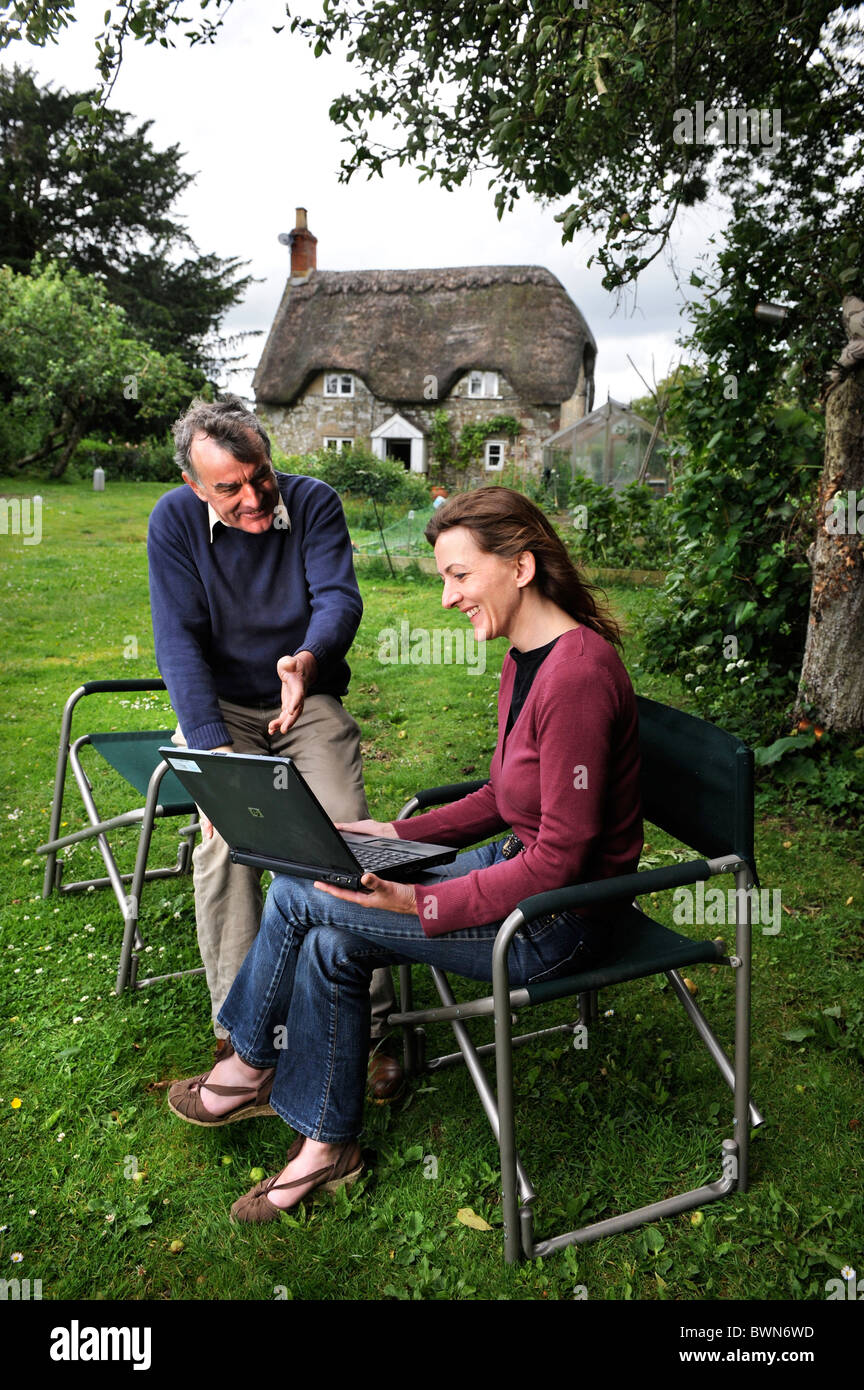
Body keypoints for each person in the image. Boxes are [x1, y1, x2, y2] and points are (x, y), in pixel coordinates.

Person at [168, 486, 644, 1222]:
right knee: (329, 939)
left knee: (301, 893)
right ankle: (328, 1150)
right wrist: (396, 837)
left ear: (520, 566)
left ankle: (251, 1061)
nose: (449, 598)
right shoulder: (527, 658)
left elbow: (561, 860)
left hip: (560, 921)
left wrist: (419, 901)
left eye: (459, 575)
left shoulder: (576, 674)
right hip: (519, 878)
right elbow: (500, 797)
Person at [147, 396, 401, 1097]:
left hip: (305, 694)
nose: (254, 497)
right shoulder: (172, 521)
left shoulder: (314, 502)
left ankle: (372, 1025)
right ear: (197, 486)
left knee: (344, 835)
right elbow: (178, 640)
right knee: (225, 841)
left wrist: (308, 661)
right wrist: (213, 750)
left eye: (260, 475)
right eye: (229, 488)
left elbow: (338, 601)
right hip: (223, 708)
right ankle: (245, 1030)